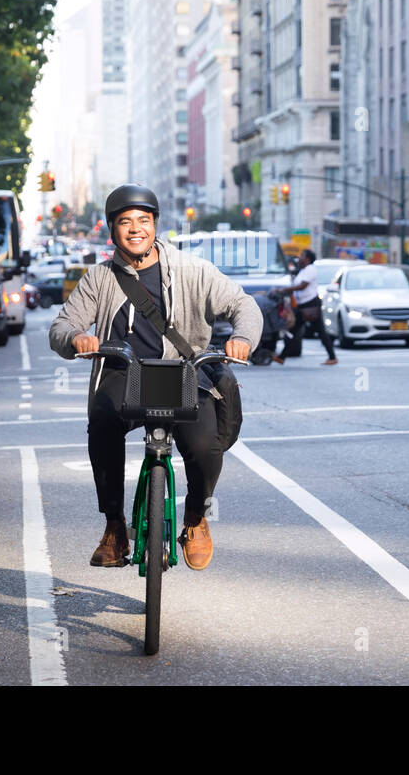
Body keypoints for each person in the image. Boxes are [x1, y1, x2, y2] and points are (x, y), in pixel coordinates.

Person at [49, 185, 262, 571]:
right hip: (123, 374)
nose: (135, 229)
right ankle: (114, 525)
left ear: (155, 226)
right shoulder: (99, 278)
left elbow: (242, 304)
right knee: (102, 424)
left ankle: (196, 518)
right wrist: (76, 338)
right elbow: (62, 326)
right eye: (125, 221)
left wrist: (242, 338)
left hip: (185, 372)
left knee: (204, 446)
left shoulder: (193, 269)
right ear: (112, 229)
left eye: (143, 221)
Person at [278, 249, 337, 365]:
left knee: (317, 332)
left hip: (310, 307)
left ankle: (332, 357)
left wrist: (285, 290)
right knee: (293, 330)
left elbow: (302, 286)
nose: (300, 258)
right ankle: (282, 356)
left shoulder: (310, 269)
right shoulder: (303, 270)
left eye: (302, 256)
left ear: (308, 259)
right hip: (303, 306)